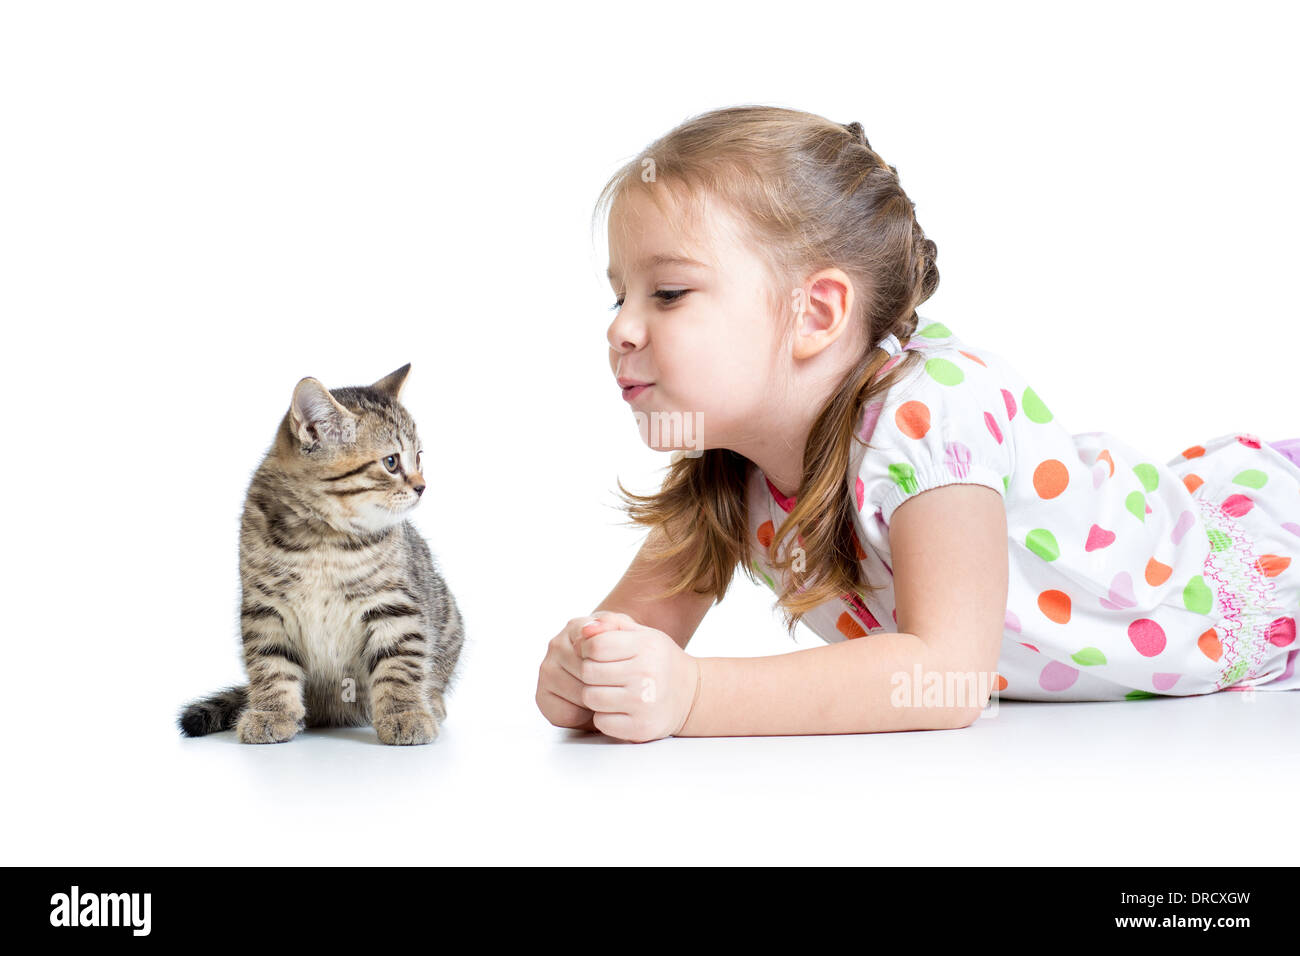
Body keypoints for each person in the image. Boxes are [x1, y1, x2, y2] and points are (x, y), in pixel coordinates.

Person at [534, 104, 1300, 743]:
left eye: (667, 293)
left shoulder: (930, 414)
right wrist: (587, 673)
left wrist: (693, 695)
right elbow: (630, 651)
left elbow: (948, 674)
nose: (621, 330)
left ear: (819, 313)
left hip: (1266, 569)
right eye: (618, 297)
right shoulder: (726, 469)